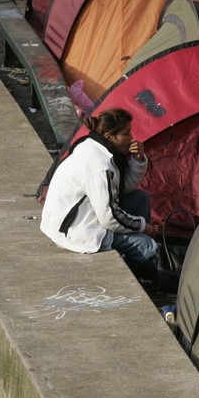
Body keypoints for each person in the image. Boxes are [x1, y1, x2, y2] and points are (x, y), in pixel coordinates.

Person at [40, 107, 159, 287]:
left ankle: (137, 261)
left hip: (79, 217)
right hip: (76, 230)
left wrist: (138, 159)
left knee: (140, 198)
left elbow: (123, 188)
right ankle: (145, 281)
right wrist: (144, 227)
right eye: (126, 133)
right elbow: (109, 218)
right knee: (148, 246)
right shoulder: (100, 165)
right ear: (110, 135)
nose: (131, 138)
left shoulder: (93, 145)